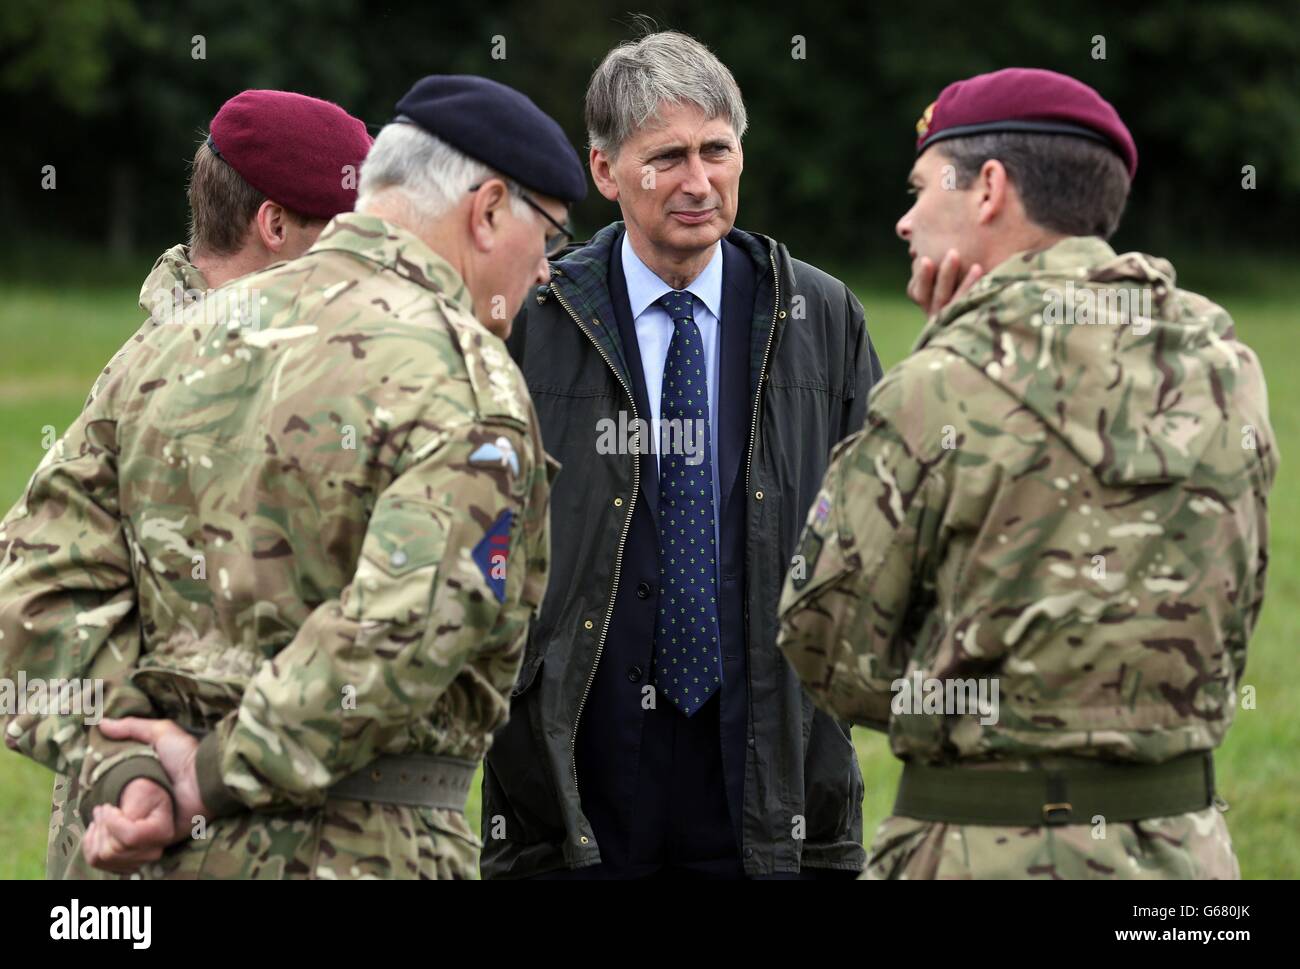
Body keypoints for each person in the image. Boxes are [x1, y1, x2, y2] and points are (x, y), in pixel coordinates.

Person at [1, 73, 583, 879]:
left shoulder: (170, 343)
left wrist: (125, 768)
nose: (548, 272)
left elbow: (35, 582)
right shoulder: (465, 378)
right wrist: (206, 777)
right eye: (549, 237)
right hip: (357, 848)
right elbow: (409, 630)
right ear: (486, 211)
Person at [777, 67, 1277, 879]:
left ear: (990, 190)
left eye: (919, 189)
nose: (905, 222)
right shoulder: (1230, 370)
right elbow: (1234, 607)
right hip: (1187, 863)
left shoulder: (937, 386)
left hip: (979, 849)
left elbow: (823, 640)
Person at [482, 29, 882, 879]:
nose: (699, 182)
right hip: (577, 762)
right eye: (667, 156)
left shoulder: (821, 316)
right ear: (604, 171)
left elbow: (875, 534)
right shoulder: (536, 318)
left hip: (771, 756)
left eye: (718, 150)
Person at [42, 88, 372, 880]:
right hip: (168, 840)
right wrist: (136, 774)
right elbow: (37, 596)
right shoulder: (164, 379)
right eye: (350, 232)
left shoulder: (168, 364)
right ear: (275, 225)